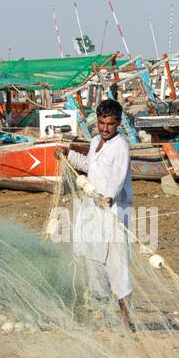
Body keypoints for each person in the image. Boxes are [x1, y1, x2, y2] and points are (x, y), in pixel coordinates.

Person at [63, 98, 134, 329]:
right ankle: (101, 308)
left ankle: (126, 318)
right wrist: (69, 154)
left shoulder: (121, 146)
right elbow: (89, 165)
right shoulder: (95, 141)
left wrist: (110, 196)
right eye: (101, 123)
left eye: (110, 124)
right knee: (94, 257)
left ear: (119, 123)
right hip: (92, 209)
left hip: (113, 211)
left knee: (117, 261)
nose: (105, 128)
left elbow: (119, 177)